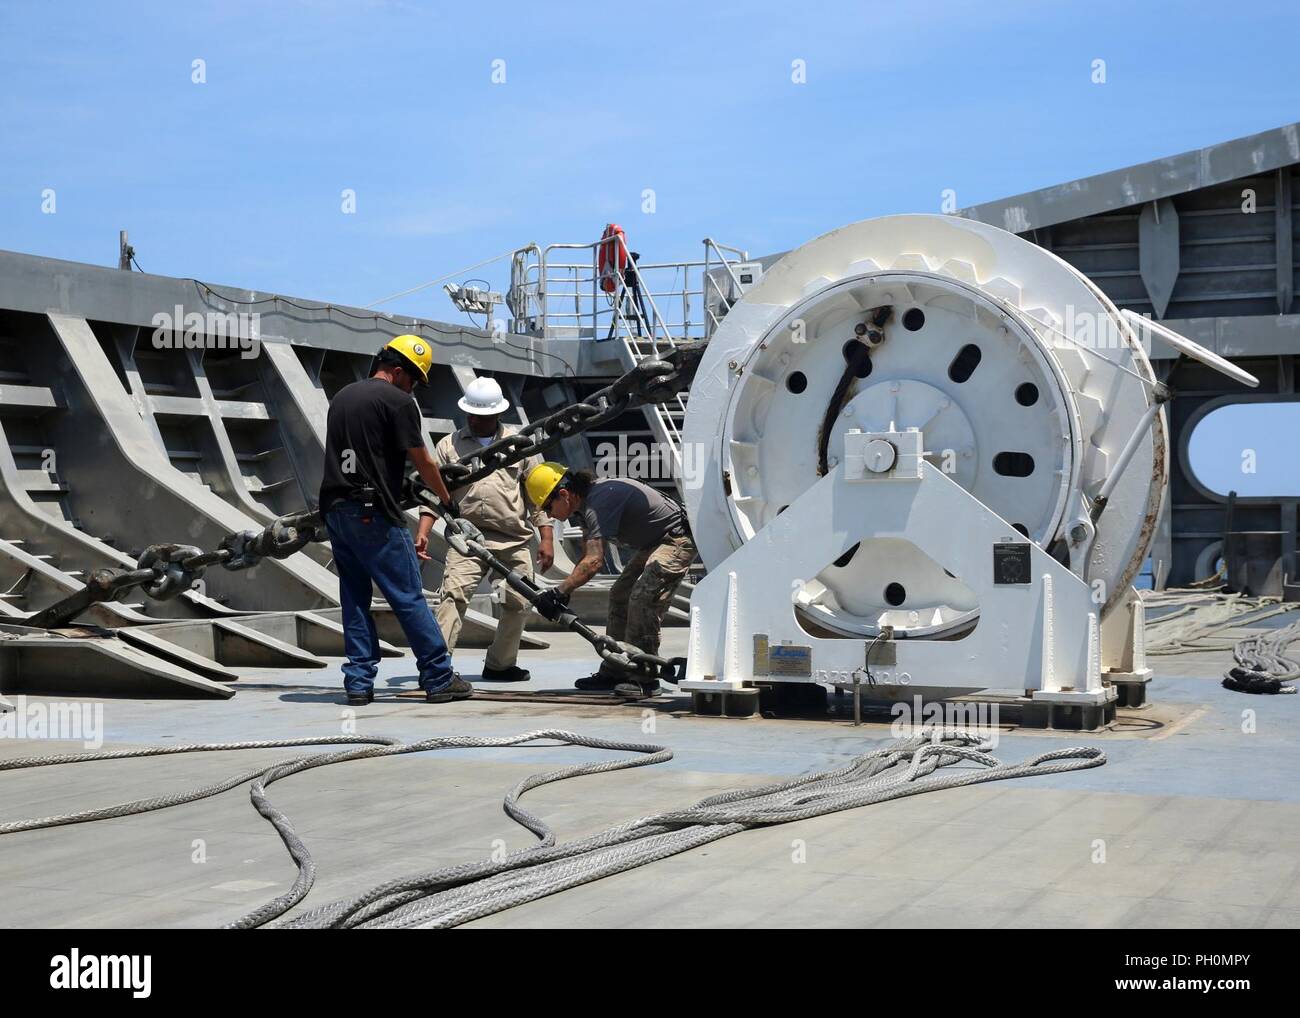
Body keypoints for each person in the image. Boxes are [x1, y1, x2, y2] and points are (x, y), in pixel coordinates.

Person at [318, 334, 473, 707]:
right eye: (415, 380)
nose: (415, 389)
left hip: (337, 509)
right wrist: (447, 501)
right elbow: (425, 461)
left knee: (354, 598)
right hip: (374, 515)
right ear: (399, 371)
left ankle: (358, 682)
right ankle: (438, 677)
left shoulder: (343, 397)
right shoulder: (398, 401)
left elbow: (360, 454)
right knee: (407, 597)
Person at [416, 376, 554, 682]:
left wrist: (546, 537)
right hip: (467, 538)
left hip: (514, 540)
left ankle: (500, 665)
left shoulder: (520, 445)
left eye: (483, 415)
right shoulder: (449, 446)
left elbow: (537, 495)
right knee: (453, 597)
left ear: (497, 414)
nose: (476, 420)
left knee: (518, 602)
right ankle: (437, 669)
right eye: (472, 414)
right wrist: (424, 531)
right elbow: (433, 494)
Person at [523, 463, 695, 697]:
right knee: (620, 595)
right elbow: (588, 558)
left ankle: (645, 676)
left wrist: (558, 592)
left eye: (548, 507)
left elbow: (594, 561)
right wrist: (566, 589)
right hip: (654, 542)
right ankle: (616, 670)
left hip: (676, 538)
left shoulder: (598, 502)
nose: (550, 515)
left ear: (564, 495)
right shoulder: (582, 508)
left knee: (643, 598)